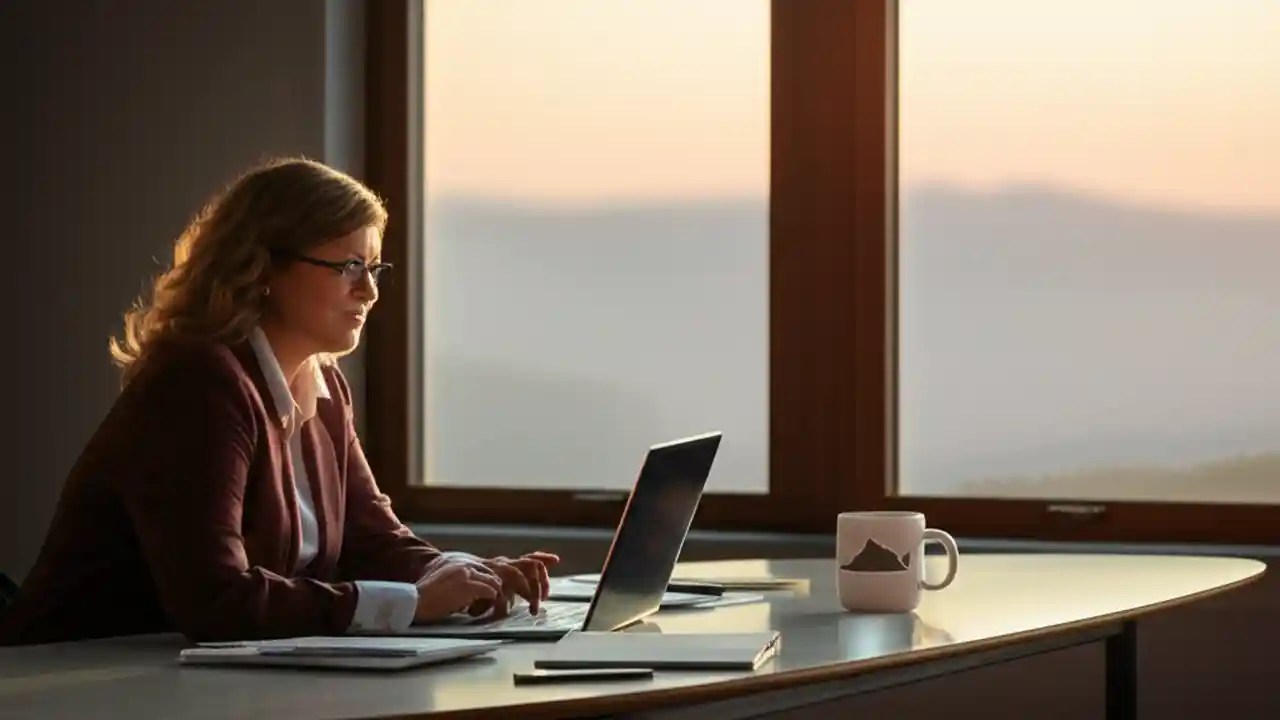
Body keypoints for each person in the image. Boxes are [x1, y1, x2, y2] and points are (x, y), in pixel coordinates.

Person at [0, 157, 559, 645]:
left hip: (189, 681)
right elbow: (215, 598)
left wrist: (467, 574)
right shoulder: (198, 382)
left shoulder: (325, 386)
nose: (369, 291)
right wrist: (408, 604)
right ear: (263, 265)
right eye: (348, 267)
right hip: (72, 683)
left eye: (374, 268)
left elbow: (372, 539)